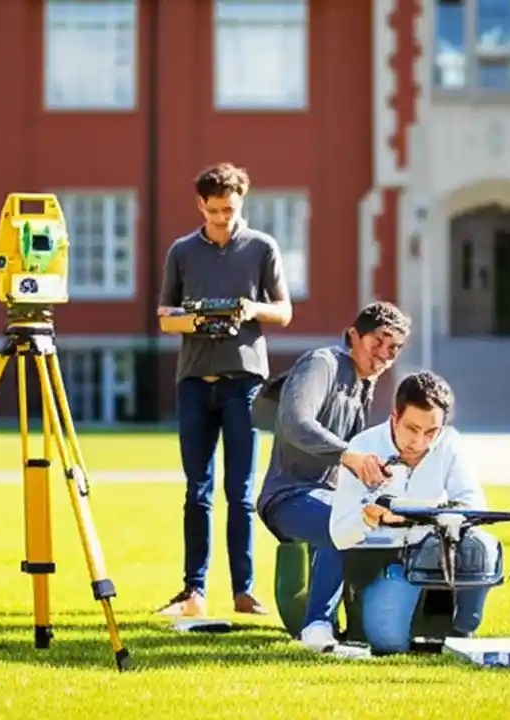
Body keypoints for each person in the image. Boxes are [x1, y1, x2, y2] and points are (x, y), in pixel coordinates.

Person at [155, 162, 293, 617]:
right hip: (194, 381)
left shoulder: (262, 248)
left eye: (229, 210)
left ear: (241, 203)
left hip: (244, 383)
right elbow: (164, 316)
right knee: (197, 490)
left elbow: (284, 312)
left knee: (241, 490)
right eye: (214, 210)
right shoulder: (181, 252)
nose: (222, 218)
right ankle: (193, 592)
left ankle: (244, 592)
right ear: (200, 205)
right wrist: (195, 320)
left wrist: (250, 309)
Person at [256, 301, 411, 653]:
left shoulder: (363, 384)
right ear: (354, 336)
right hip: (287, 496)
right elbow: (296, 423)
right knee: (343, 524)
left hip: (329, 496)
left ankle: (362, 625)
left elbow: (350, 459)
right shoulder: (321, 363)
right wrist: (350, 457)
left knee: (381, 522)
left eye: (395, 349)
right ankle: (316, 628)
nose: (385, 356)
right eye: (378, 342)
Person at [329, 371, 490, 655]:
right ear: (394, 417)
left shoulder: (450, 443)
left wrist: (439, 518)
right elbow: (340, 535)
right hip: (383, 560)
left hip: (435, 552)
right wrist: (371, 516)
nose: (420, 441)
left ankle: (461, 630)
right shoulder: (363, 447)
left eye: (431, 432)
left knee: (482, 546)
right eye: (412, 428)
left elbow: (474, 505)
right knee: (389, 643)